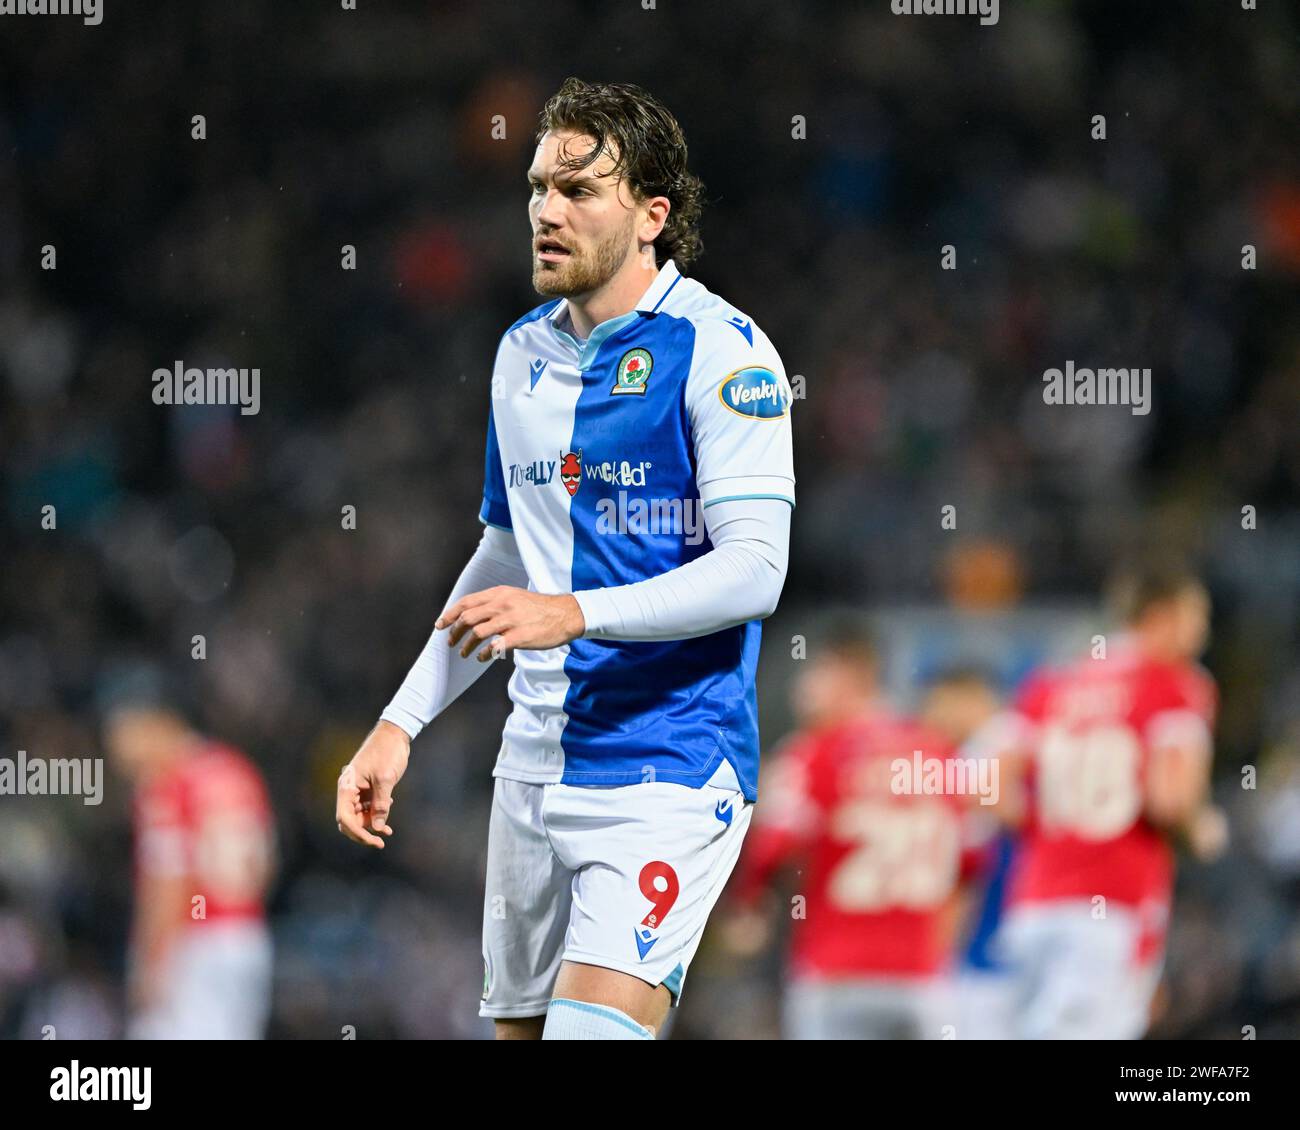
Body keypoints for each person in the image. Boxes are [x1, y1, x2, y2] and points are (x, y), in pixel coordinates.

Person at [336, 77, 796, 1041]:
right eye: (541, 186)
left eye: (581, 190)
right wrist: (400, 722)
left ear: (650, 217)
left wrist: (575, 612)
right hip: (532, 769)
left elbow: (758, 568)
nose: (548, 210)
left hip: (666, 765)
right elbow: (506, 552)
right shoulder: (520, 357)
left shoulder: (725, 355)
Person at [997, 564, 1220, 1039]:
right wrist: (1203, 830)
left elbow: (988, 786)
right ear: (1162, 615)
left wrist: (1048, 825)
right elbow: (1168, 801)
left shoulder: (1054, 681)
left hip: (1032, 904)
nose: (1203, 632)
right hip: (1111, 907)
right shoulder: (1175, 682)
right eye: (1196, 616)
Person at [725, 626, 972, 1039]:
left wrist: (748, 905)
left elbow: (773, 848)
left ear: (849, 675)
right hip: (924, 977)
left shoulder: (814, 751)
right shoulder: (937, 753)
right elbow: (969, 864)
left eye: (816, 673)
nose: (803, 688)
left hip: (835, 972)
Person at [105, 692, 275, 1039]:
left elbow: (168, 883)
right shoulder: (236, 769)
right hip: (247, 940)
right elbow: (265, 867)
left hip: (192, 948)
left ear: (156, 722)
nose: (117, 750)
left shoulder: (167, 781)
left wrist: (151, 964)